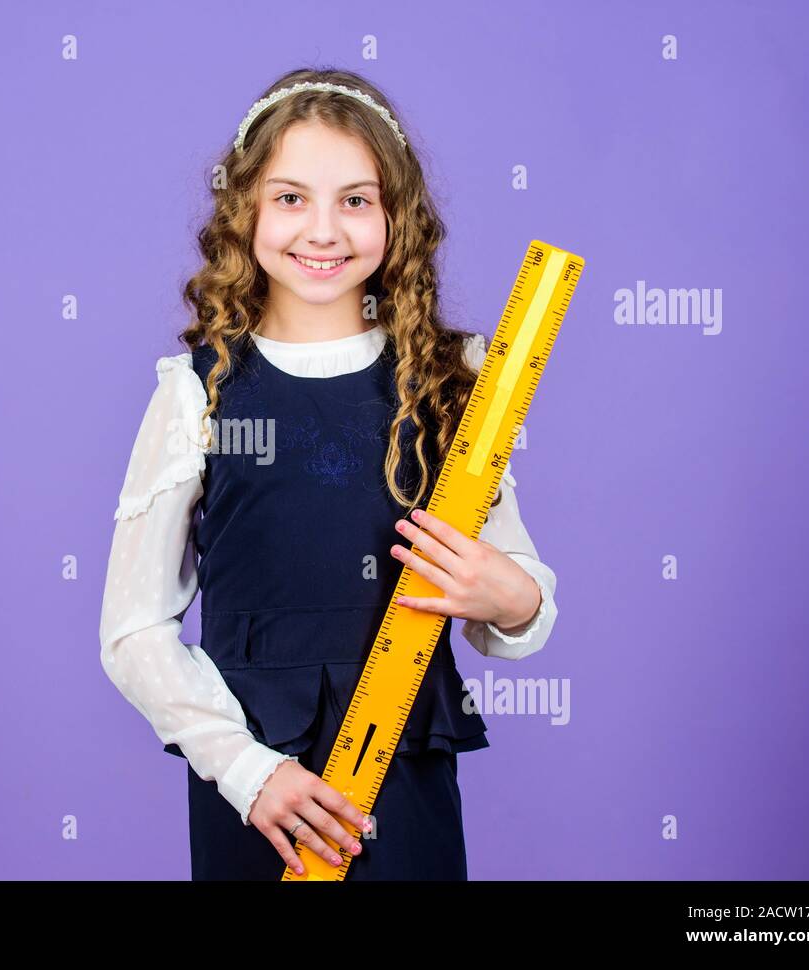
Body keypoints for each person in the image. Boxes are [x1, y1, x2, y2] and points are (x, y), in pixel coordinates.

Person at [98, 67, 558, 880]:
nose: (323, 229)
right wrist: (247, 770)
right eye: (290, 198)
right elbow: (133, 631)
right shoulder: (195, 393)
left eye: (356, 199)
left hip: (406, 771)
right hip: (260, 799)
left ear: (396, 215)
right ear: (243, 210)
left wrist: (513, 598)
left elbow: (512, 600)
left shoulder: (452, 384)